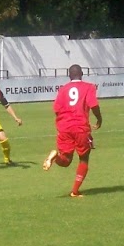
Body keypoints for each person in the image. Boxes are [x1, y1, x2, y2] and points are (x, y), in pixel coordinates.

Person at [42, 64, 103, 197]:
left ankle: (55, 156)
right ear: (82, 74)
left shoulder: (63, 89)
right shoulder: (89, 87)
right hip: (81, 127)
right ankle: (75, 191)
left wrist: (62, 126)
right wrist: (99, 119)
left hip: (64, 128)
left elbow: (56, 110)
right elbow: (94, 105)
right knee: (84, 159)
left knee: (65, 161)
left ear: (69, 75)